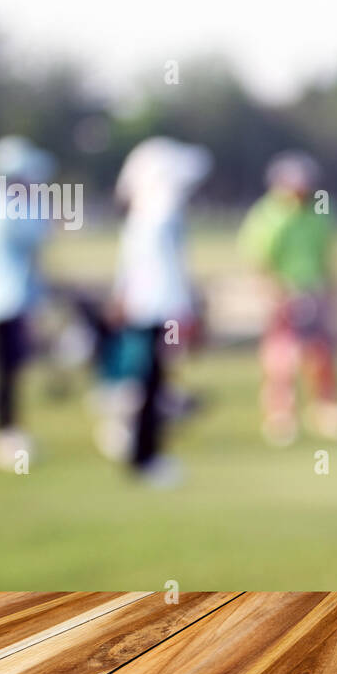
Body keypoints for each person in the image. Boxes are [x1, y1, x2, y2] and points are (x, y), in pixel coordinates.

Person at [108, 137, 212, 486]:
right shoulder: (161, 214)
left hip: (148, 310)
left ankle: (142, 452)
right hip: (157, 312)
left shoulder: (145, 213)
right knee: (150, 383)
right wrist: (184, 315)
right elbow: (168, 272)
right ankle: (144, 458)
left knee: (148, 382)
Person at [237, 151, 337, 446]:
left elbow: (328, 255)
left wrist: (334, 291)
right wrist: (276, 295)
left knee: (323, 355)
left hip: (315, 292)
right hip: (282, 296)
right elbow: (258, 263)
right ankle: (281, 415)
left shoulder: (321, 211)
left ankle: (325, 411)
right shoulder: (266, 215)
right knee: (282, 359)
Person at [0, 136, 56, 470]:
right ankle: (5, 434)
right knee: (6, 372)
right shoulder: (5, 204)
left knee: (10, 372)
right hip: (6, 300)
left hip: (4, 299)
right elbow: (35, 237)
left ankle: (8, 431)